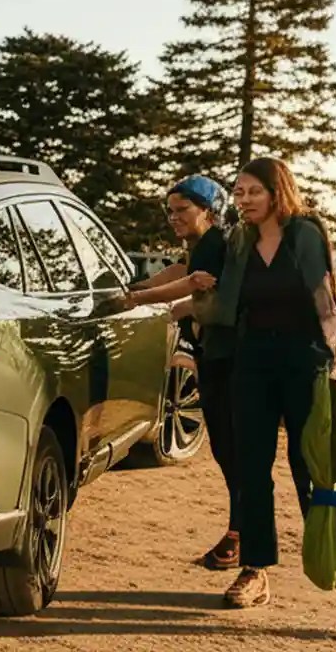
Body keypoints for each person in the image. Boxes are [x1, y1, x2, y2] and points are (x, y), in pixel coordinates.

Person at [199, 157, 336, 609]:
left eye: (252, 192)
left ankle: (329, 550)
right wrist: (191, 297)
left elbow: (324, 301)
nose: (243, 201)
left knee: (309, 462)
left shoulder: (303, 233)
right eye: (238, 193)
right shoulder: (240, 240)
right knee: (251, 468)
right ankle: (256, 569)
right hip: (253, 361)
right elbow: (225, 304)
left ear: (276, 190)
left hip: (304, 360)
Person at [123, 175, 242, 570]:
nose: (173, 218)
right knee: (227, 451)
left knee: (232, 451)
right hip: (214, 357)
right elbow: (178, 273)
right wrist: (129, 288)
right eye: (170, 211)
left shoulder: (214, 245)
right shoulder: (199, 246)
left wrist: (136, 298)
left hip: (229, 360)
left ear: (207, 211)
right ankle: (238, 533)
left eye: (182, 210)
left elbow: (190, 288)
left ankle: (240, 535)